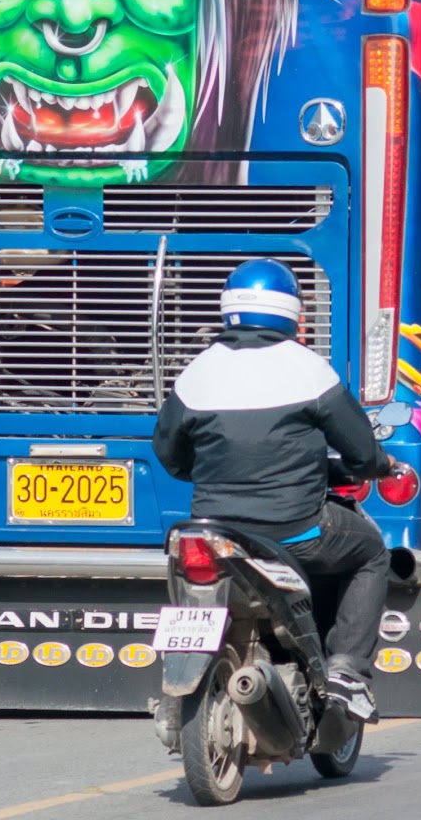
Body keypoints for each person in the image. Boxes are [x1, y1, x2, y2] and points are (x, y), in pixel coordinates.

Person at [153, 258, 393, 721]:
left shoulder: (197, 372)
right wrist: (380, 465)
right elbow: (361, 452)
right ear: (291, 312)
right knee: (371, 553)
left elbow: (169, 453)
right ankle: (349, 671)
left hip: (214, 533)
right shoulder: (308, 369)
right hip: (297, 531)